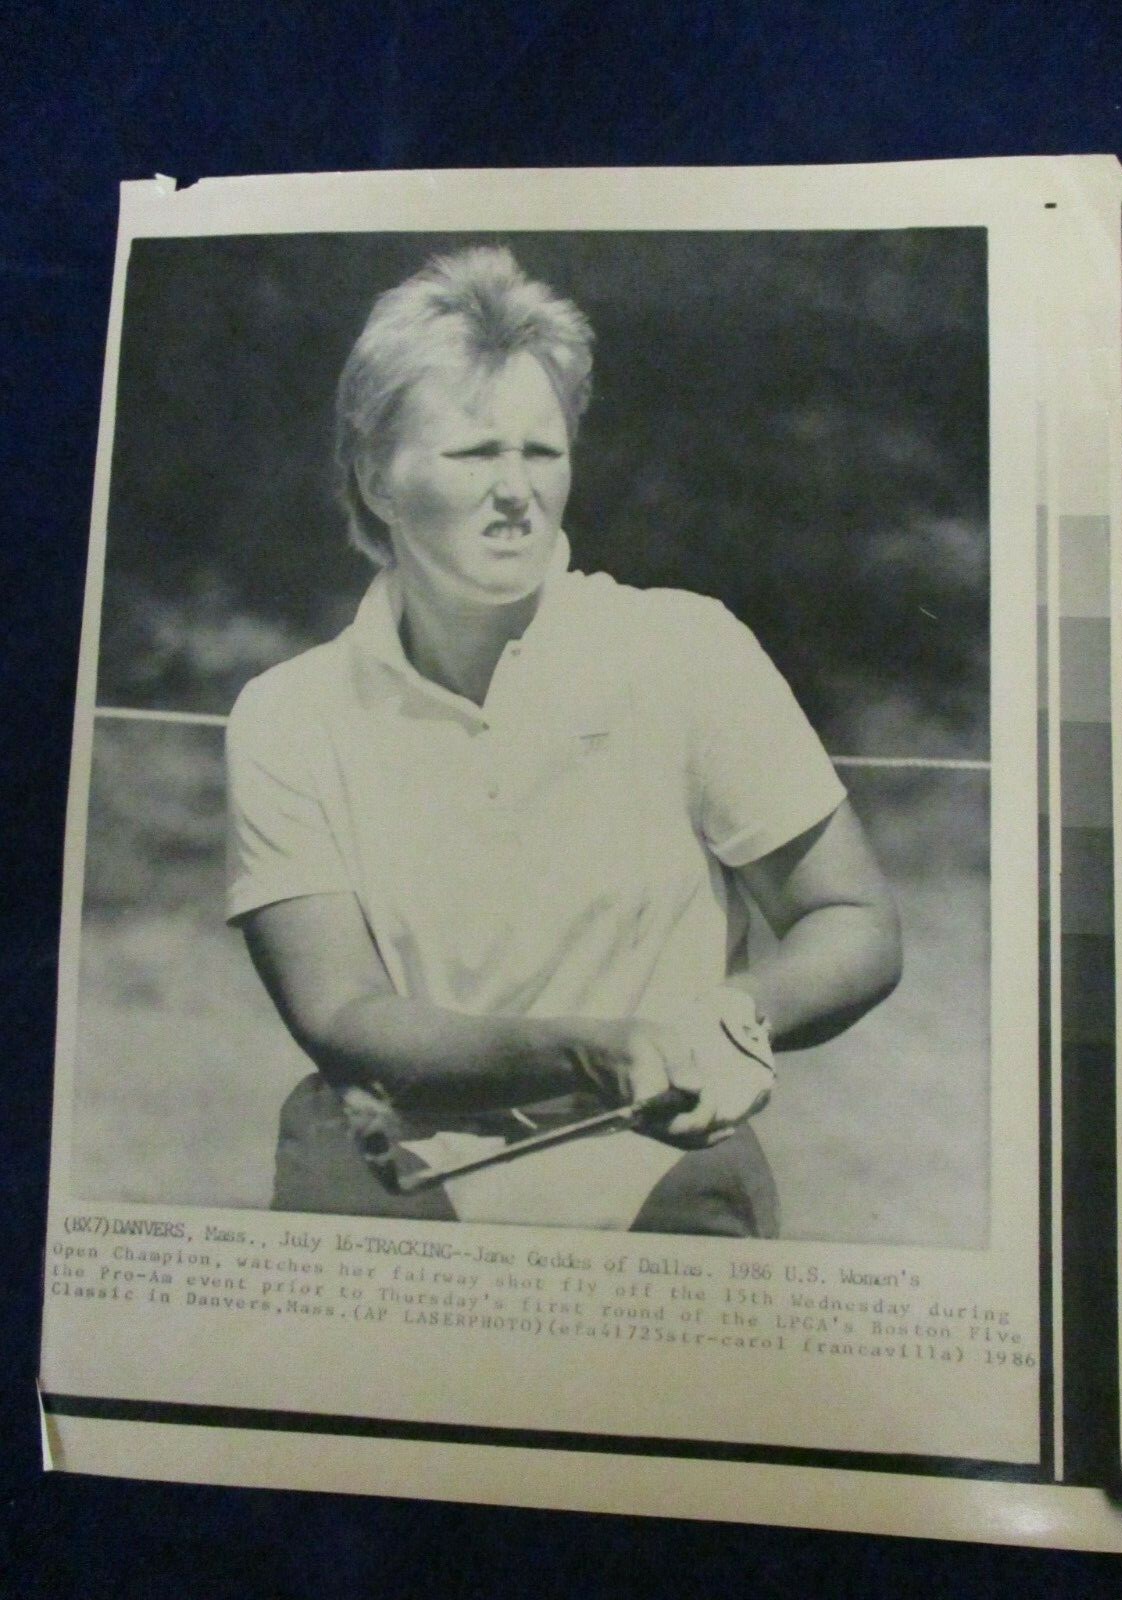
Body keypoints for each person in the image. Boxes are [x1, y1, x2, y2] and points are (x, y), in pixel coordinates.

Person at [225, 245, 901, 1237]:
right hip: (398, 1181)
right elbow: (343, 1015)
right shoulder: (287, 714)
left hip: (660, 1173)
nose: (517, 490)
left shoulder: (688, 647)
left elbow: (853, 919)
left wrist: (731, 1016)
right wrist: (588, 1047)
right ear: (375, 475)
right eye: (473, 454)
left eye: (541, 452)